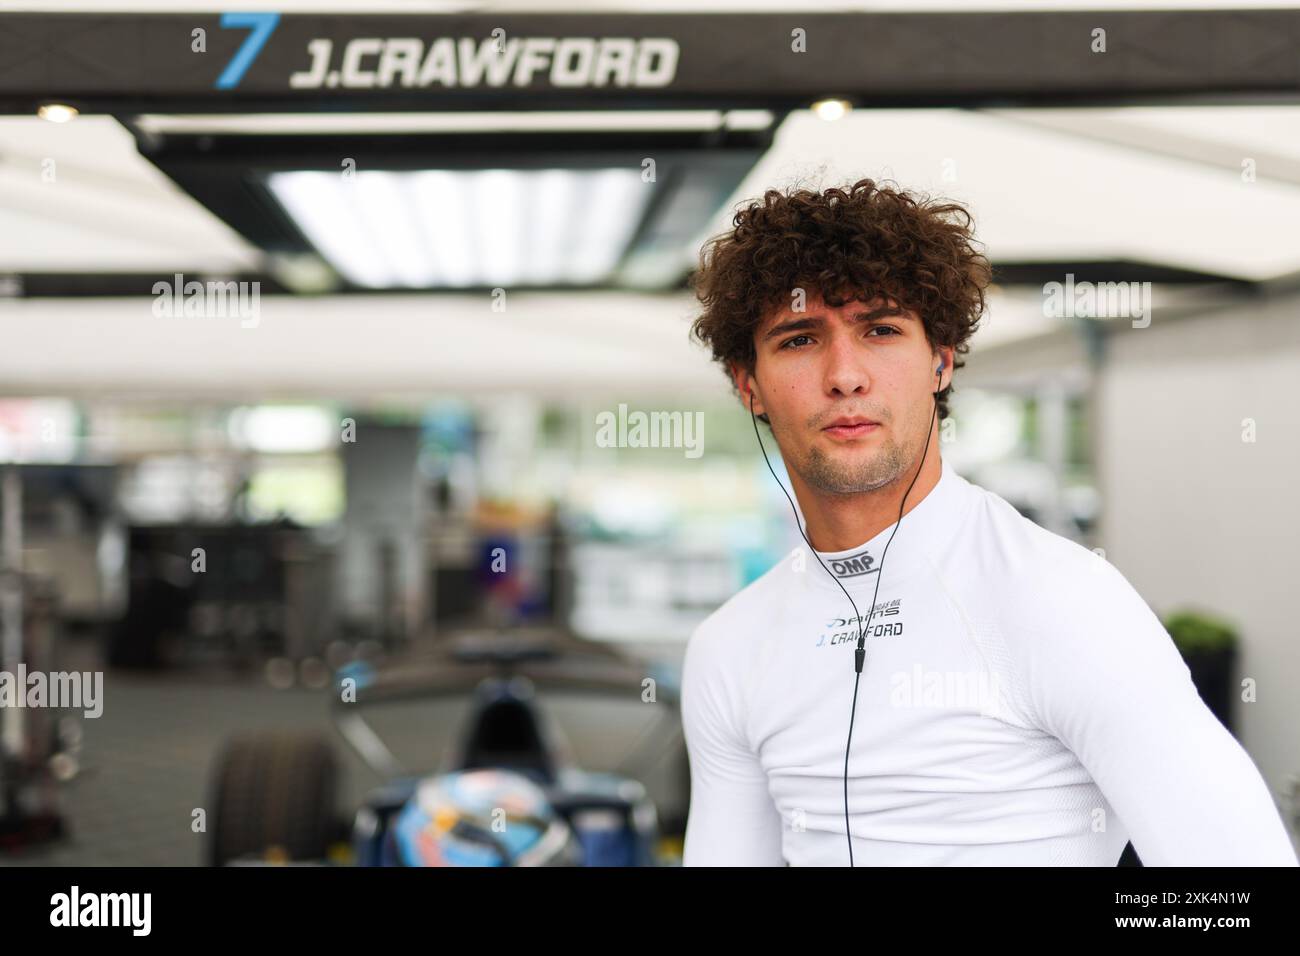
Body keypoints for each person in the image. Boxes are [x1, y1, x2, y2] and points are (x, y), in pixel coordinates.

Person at [680, 178, 1298, 866]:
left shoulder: (1063, 601)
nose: (845, 375)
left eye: (880, 330)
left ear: (940, 361)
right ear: (748, 383)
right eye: (800, 339)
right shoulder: (728, 648)